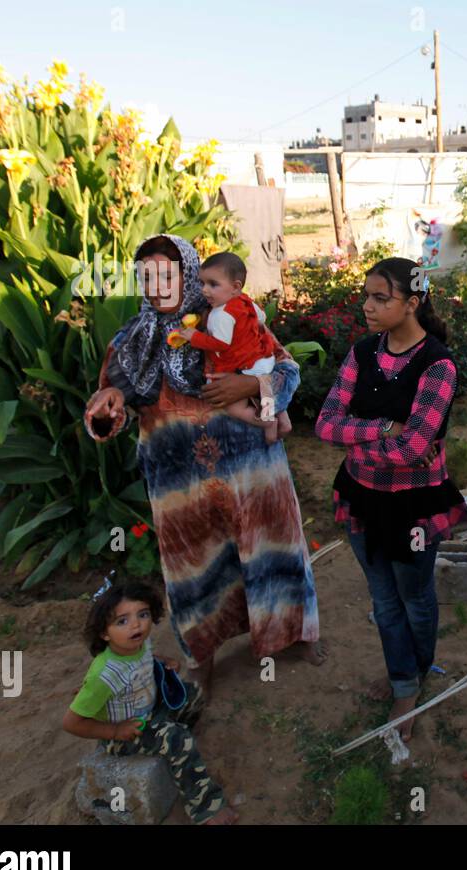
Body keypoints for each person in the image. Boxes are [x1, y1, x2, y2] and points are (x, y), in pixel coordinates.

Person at [84, 234, 324, 696]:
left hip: (254, 474)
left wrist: (246, 387)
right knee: (192, 571)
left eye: (167, 275)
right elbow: (108, 408)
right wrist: (106, 406)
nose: (156, 286)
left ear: (189, 275)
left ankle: (294, 635)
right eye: (147, 276)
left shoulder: (232, 317)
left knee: (274, 551)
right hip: (180, 486)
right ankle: (202, 658)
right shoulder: (131, 341)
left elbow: (287, 369)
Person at [314, 257, 467, 740]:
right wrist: (384, 426)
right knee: (384, 600)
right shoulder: (363, 353)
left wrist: (362, 439)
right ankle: (403, 681)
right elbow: (325, 424)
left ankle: (416, 675)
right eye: (366, 295)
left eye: (380, 297)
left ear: (413, 302)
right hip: (360, 500)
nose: (367, 306)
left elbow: (414, 450)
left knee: (416, 598)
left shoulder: (438, 364)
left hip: (413, 507)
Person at [62, 579, 238, 825]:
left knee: (193, 695)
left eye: (142, 615)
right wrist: (115, 731)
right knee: (176, 739)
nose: (136, 624)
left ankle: (178, 747)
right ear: (104, 632)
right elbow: (71, 722)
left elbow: (145, 656)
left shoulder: (137, 642)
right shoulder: (105, 674)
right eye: (122, 621)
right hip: (127, 731)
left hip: (152, 709)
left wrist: (162, 661)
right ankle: (206, 808)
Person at [168, 251, 292, 444]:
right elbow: (260, 318)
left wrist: (195, 337)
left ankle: (267, 422)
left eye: (213, 284)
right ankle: (278, 416)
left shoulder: (220, 315)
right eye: (202, 284)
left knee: (235, 407)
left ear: (235, 287)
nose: (204, 290)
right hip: (263, 357)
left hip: (247, 365)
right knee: (265, 389)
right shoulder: (245, 301)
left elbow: (220, 344)